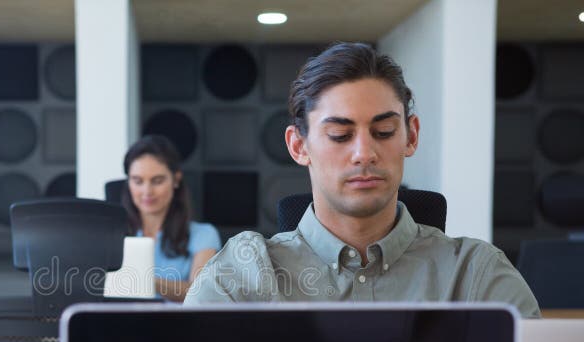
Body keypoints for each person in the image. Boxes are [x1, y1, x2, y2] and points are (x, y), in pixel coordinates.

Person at [184, 42, 540, 318]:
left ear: (411, 136)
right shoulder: (242, 277)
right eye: (340, 135)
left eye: (384, 132)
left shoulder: (476, 275)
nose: (364, 153)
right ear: (298, 146)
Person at [122, 135, 221, 302]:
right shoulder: (115, 233)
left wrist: (145, 280)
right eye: (137, 181)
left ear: (176, 179)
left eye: (157, 181)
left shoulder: (204, 235)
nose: (147, 191)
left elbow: (198, 293)